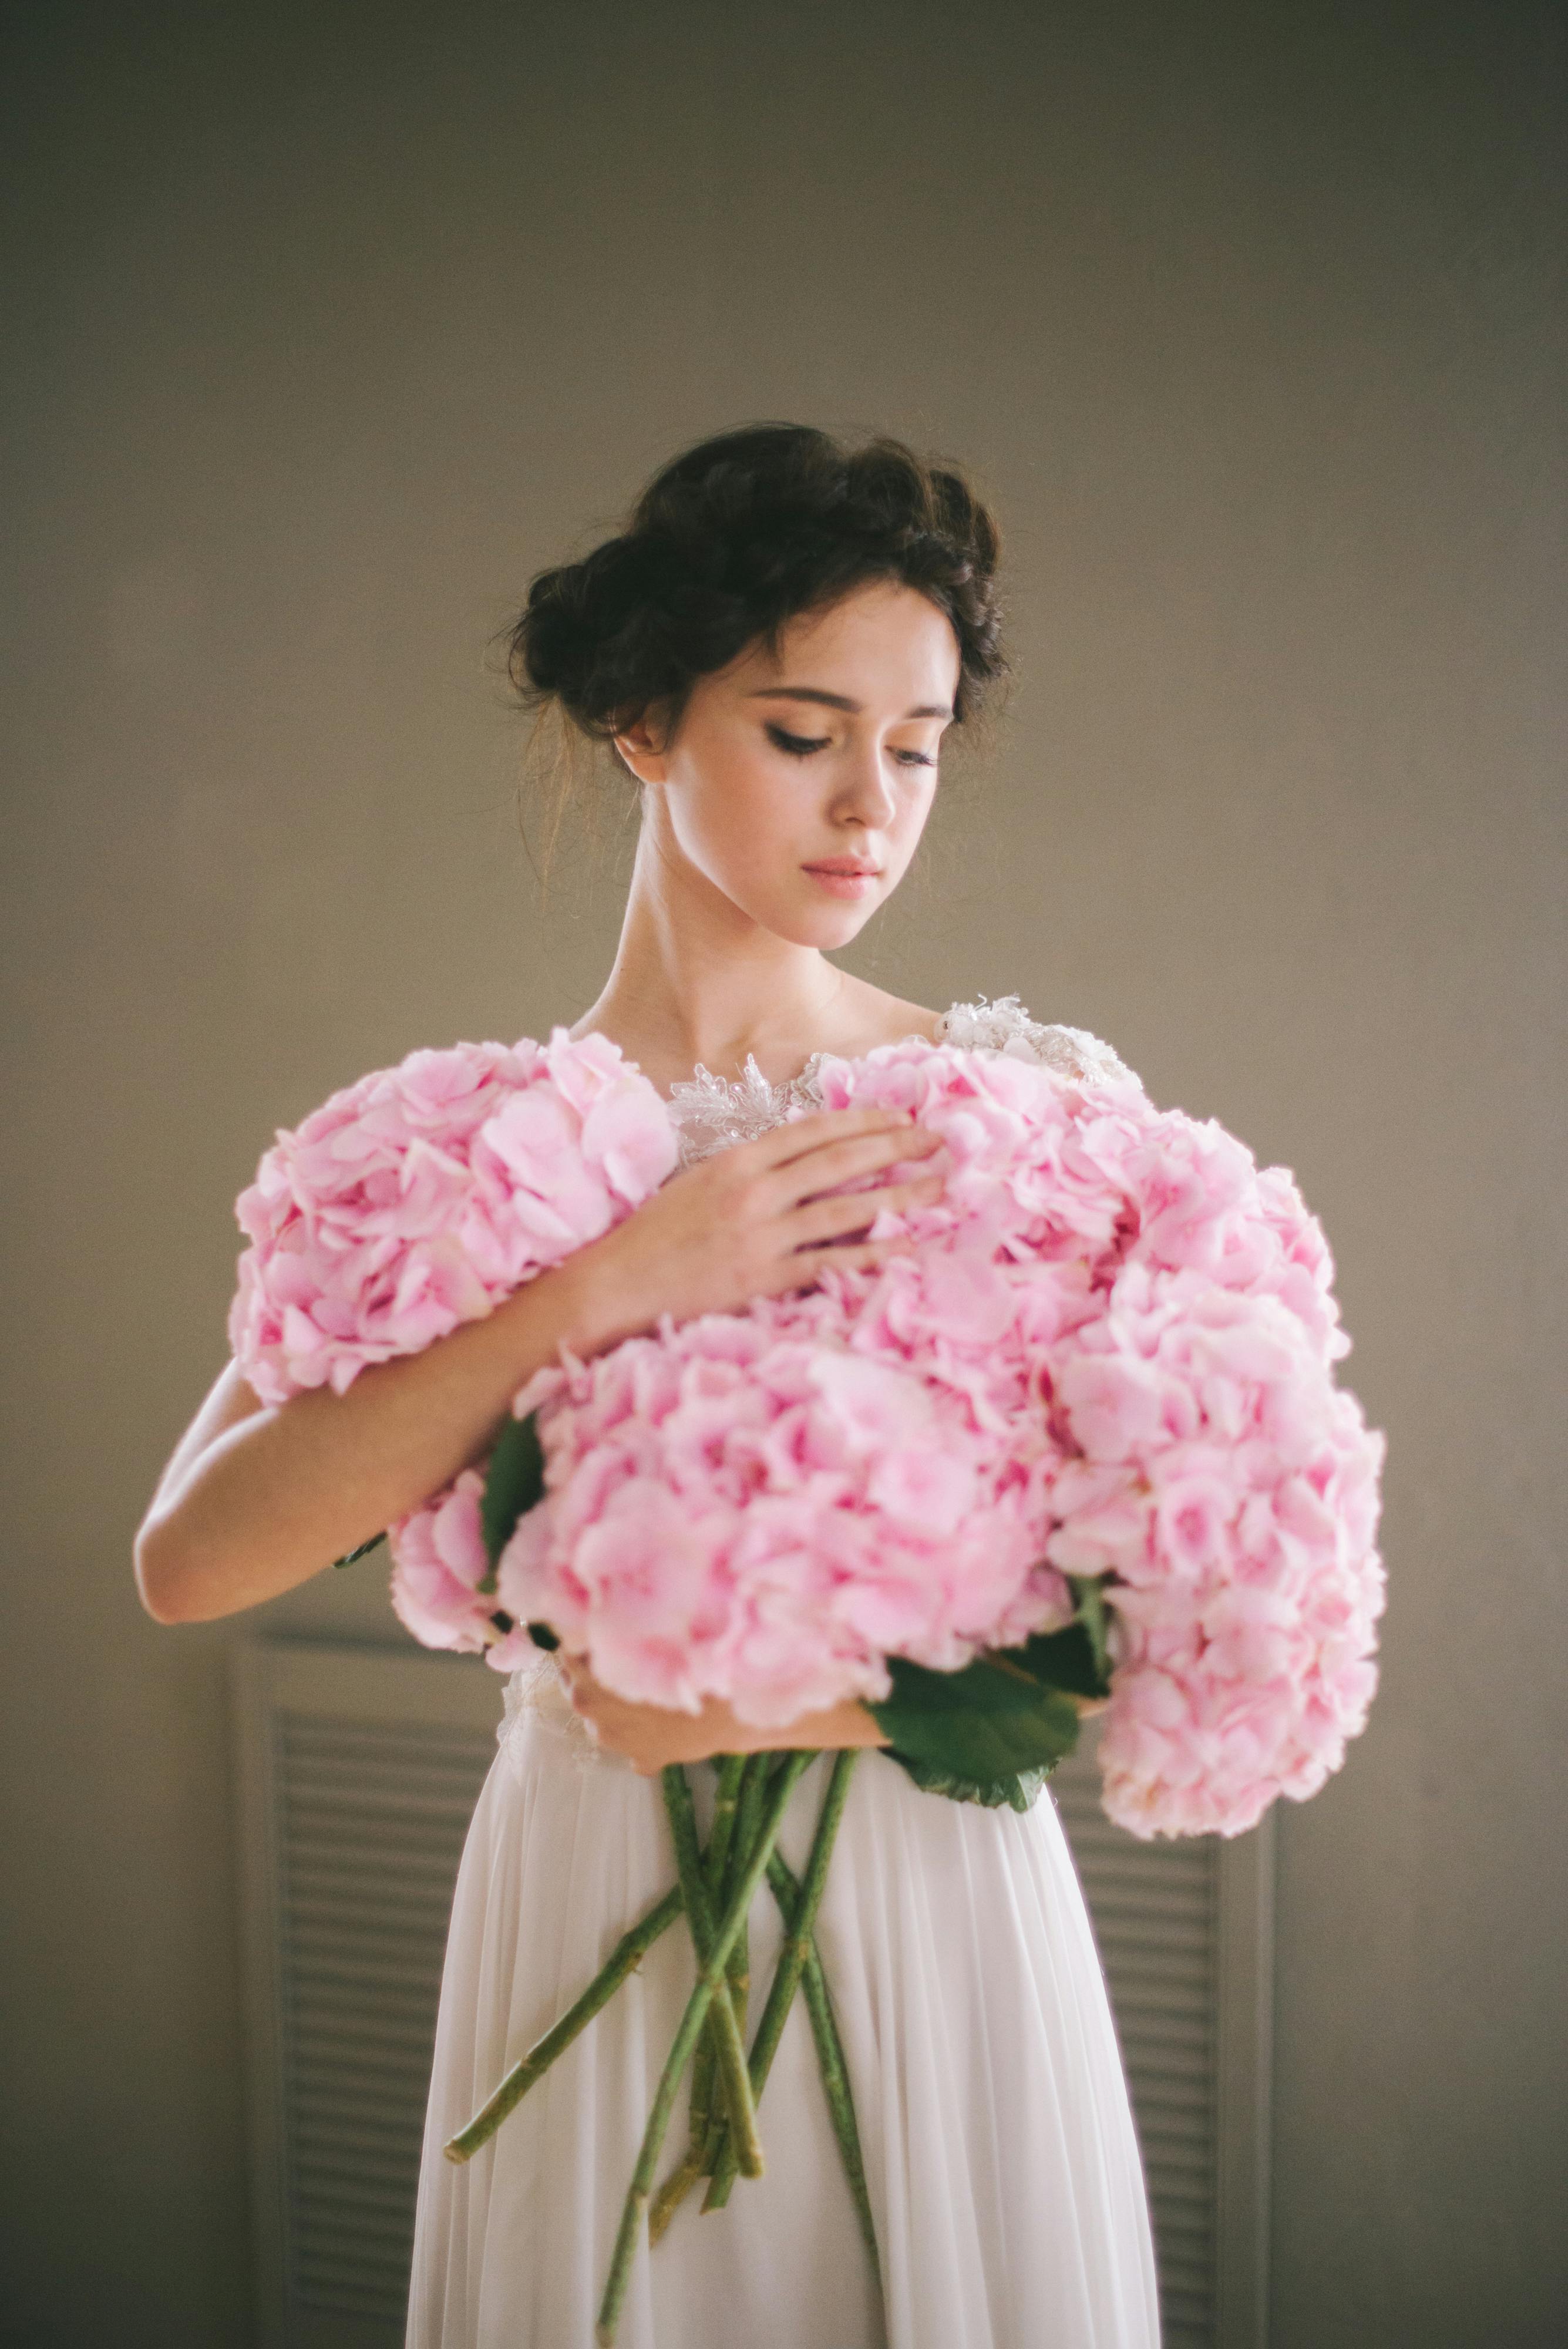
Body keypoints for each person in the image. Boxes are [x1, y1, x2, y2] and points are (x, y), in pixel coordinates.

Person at [136, 424, 1162, 2348]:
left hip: (934, 1923)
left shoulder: (1018, 1118)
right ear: (639, 720)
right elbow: (190, 1562)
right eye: (804, 733)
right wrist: (611, 1282)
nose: (874, 805)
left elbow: (1146, 1619)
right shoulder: (474, 1152)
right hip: (584, 1889)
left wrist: (776, 1708)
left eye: (919, 746)